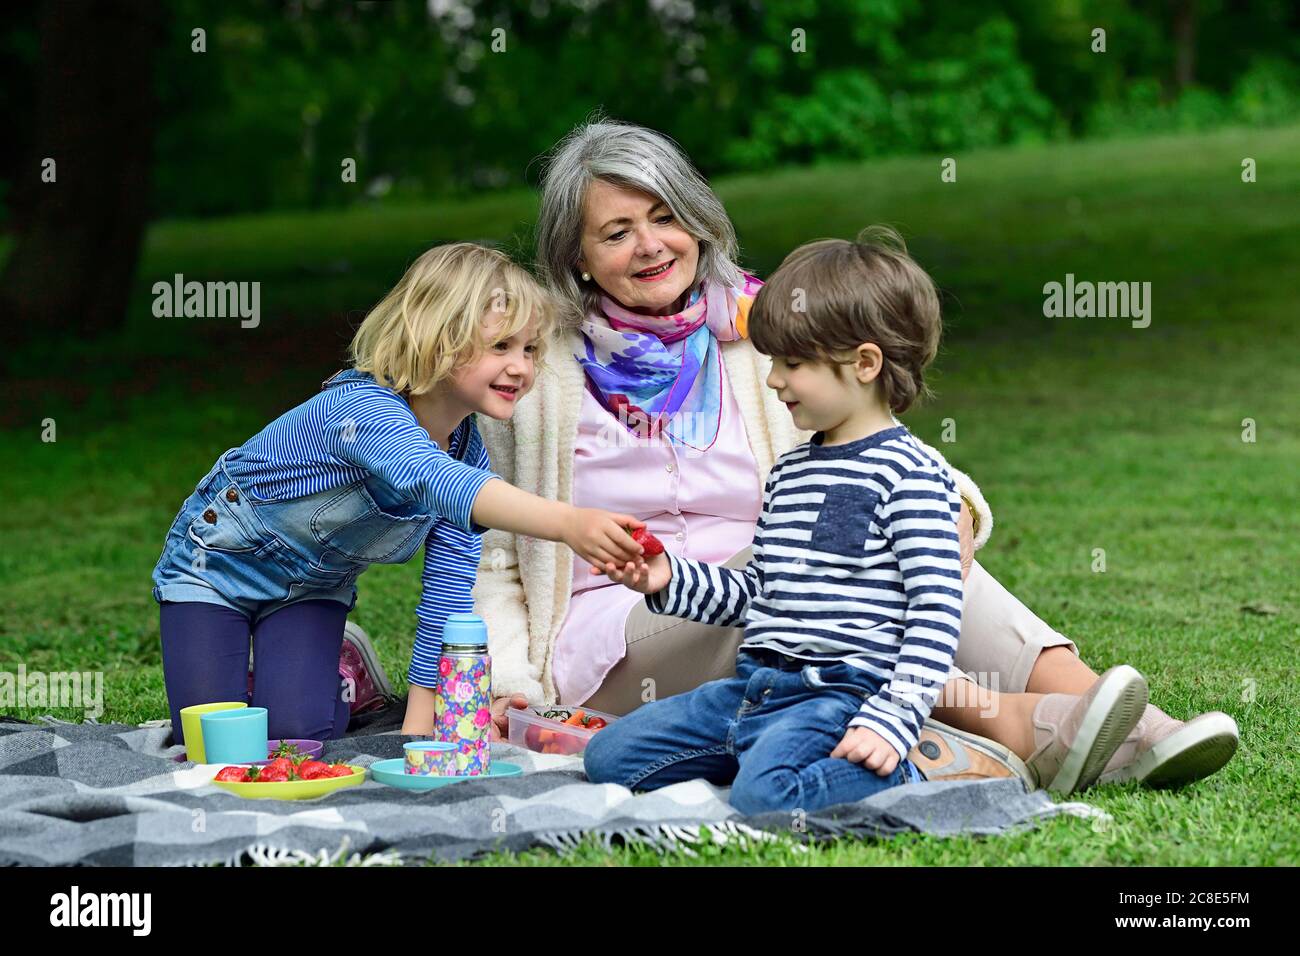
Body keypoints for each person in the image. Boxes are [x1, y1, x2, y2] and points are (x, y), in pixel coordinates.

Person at [475, 118, 1238, 792]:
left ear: (699, 222)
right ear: (575, 258)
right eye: (616, 232)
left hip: (790, 579)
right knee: (812, 587)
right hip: (629, 632)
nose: (650, 245)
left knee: (907, 549)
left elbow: (868, 436)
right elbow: (497, 550)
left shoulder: (764, 332)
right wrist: (505, 679)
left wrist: (952, 507)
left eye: (666, 217)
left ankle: (1126, 721)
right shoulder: (537, 371)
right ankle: (1018, 725)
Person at [582, 228, 1149, 810]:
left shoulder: (912, 476)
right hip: (754, 689)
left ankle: (932, 768)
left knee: (766, 801)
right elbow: (761, 595)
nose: (774, 379)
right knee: (609, 759)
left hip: (842, 696)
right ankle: (770, 753)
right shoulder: (791, 472)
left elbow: (934, 618)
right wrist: (667, 579)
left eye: (793, 363)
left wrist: (895, 716)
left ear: (864, 363)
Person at [150, 243, 647, 745]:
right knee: (210, 741)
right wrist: (568, 523)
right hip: (216, 570)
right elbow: (431, 476)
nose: (521, 367)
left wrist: (414, 734)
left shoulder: (468, 454)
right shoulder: (364, 411)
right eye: (501, 347)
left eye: (529, 349)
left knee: (297, 738)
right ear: (437, 339)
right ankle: (258, 677)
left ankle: (343, 679)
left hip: (314, 589)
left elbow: (447, 598)